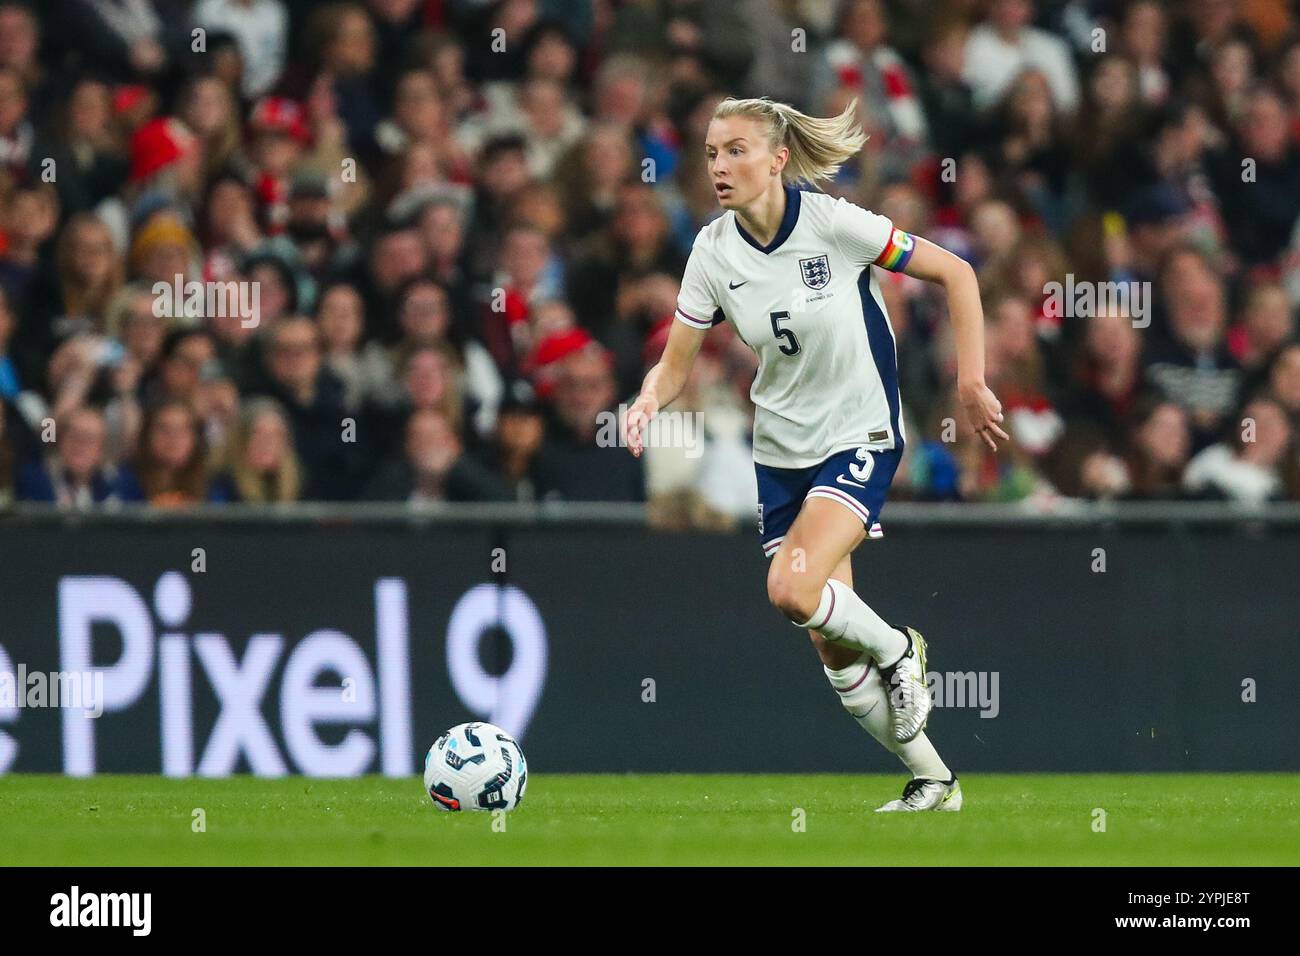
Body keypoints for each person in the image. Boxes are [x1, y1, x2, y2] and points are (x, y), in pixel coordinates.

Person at [623, 96, 1007, 812]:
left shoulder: (832, 224)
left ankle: (900, 649)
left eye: (735, 150)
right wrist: (649, 398)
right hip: (781, 452)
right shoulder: (712, 250)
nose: (718, 166)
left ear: (776, 159)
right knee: (831, 640)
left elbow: (957, 273)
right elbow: (676, 363)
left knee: (792, 591)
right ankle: (936, 781)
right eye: (710, 153)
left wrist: (972, 379)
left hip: (858, 434)